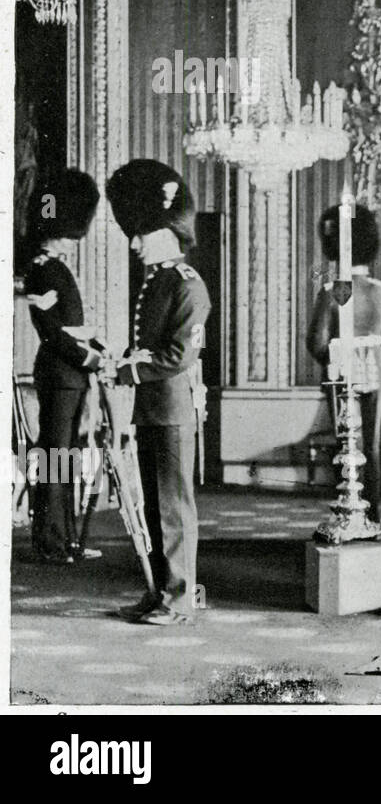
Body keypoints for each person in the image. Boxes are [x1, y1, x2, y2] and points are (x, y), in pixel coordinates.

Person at [106, 160, 211, 626]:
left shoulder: (189, 285)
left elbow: (178, 356)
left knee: (172, 507)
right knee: (153, 505)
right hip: (152, 409)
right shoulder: (156, 281)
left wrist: (128, 371)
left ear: (167, 233)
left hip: (172, 410)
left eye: (141, 235)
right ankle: (159, 589)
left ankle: (180, 597)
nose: (134, 243)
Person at [24, 169, 103, 565]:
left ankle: (66, 539)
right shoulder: (43, 267)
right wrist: (91, 357)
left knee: (67, 457)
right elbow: (53, 332)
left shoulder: (55, 266)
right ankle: (50, 542)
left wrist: (96, 347)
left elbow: (72, 327)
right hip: (60, 373)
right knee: (56, 456)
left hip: (70, 376)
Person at [307, 202, 381, 521]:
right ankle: (372, 514)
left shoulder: (332, 291)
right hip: (376, 375)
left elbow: (316, 343)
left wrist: (339, 357)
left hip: (339, 375)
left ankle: (348, 509)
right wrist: (369, 355)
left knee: (346, 442)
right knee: (370, 447)